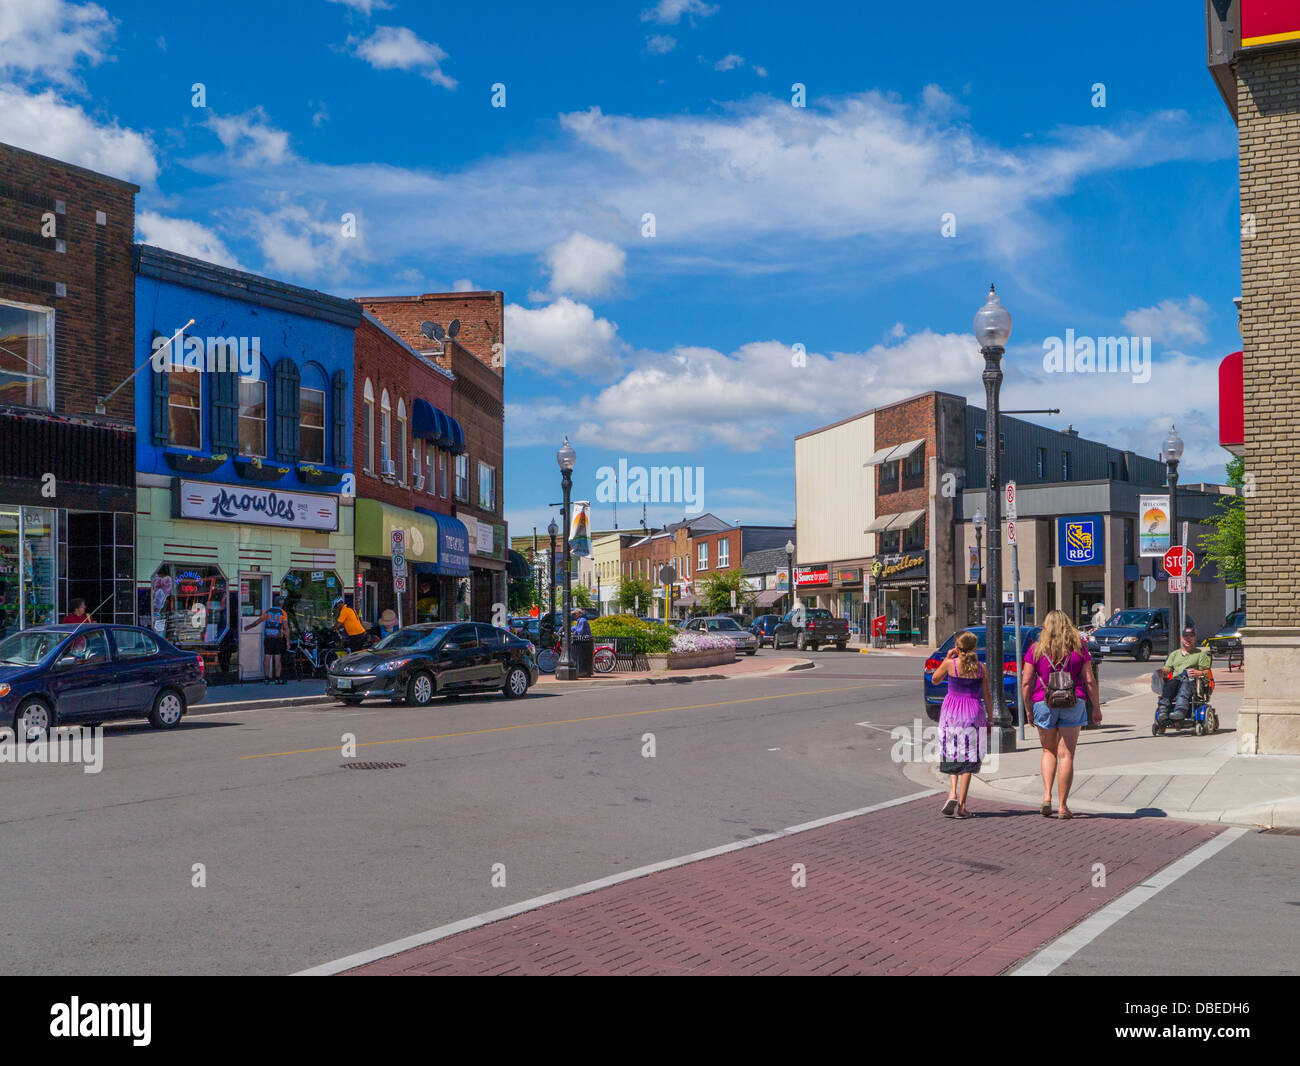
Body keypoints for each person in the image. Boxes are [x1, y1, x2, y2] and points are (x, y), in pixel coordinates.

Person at [1021, 609, 1101, 819]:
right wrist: (1097, 708)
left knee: (1048, 751)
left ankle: (1046, 797)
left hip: (1043, 701)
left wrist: (1028, 708)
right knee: (1066, 754)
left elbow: (1026, 682)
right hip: (1073, 700)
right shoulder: (1079, 649)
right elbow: (1090, 680)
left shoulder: (1036, 650)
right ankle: (1063, 806)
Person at [929, 631, 990, 819]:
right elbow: (987, 695)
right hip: (972, 711)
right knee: (969, 758)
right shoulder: (981, 668)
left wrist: (946, 658)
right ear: (974, 647)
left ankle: (952, 793)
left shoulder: (950, 664)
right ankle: (962, 806)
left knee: (951, 752)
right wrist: (991, 719)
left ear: (957, 646)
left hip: (952, 712)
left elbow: (935, 679)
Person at [1157, 624, 1211, 724]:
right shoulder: (1175, 654)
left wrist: (1198, 672)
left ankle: (1180, 711)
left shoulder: (1200, 654)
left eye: (1191, 637)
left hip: (1192, 681)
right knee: (1170, 684)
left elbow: (1207, 672)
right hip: (1177, 679)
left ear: (1194, 639)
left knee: (1185, 684)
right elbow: (1168, 668)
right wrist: (1162, 671)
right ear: (1182, 639)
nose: (1188, 639)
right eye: (1186, 637)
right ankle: (1163, 711)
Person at [244, 593, 289, 684]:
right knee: (277, 658)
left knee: (267, 657)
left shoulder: (267, 611)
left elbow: (257, 622)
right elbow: (286, 628)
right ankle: (277, 679)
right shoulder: (283, 613)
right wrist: (288, 641)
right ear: (282, 604)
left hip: (268, 637)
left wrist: (248, 627)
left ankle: (266, 679)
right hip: (277, 638)